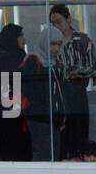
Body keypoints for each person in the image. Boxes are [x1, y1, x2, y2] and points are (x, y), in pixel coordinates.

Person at [49, 5, 96, 160]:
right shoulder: (51, 43)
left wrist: (73, 72)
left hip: (77, 93)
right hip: (58, 95)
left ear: (68, 19)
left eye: (59, 22)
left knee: (79, 135)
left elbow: (92, 68)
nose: (57, 26)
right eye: (53, 23)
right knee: (61, 138)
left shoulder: (82, 40)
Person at [0, 23, 32, 161]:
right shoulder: (22, 59)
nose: (24, 40)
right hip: (16, 116)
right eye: (21, 36)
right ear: (13, 38)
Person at [22, 27, 67, 162]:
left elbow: (57, 92)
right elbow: (32, 92)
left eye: (59, 44)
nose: (56, 48)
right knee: (44, 156)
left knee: (53, 156)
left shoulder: (54, 63)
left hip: (53, 119)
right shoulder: (34, 61)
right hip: (40, 118)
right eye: (53, 44)